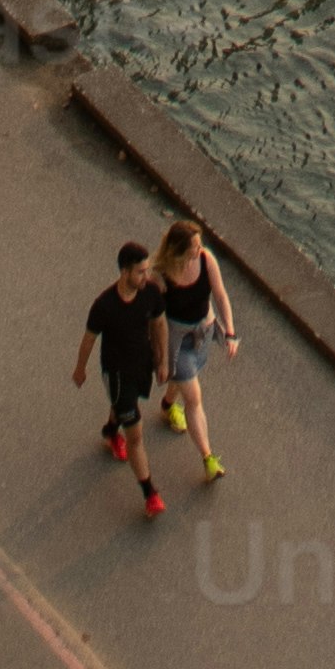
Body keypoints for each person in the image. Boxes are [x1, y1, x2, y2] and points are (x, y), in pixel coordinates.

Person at [77, 227, 169, 516]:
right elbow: (89, 338)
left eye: (147, 270)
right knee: (137, 434)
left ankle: (109, 430)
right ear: (125, 271)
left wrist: (162, 360)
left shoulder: (150, 292)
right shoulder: (104, 306)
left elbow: (159, 324)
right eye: (140, 272)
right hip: (117, 373)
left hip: (142, 363)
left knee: (125, 407)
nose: (146, 276)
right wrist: (80, 368)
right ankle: (150, 494)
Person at [149, 215, 239, 484]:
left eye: (199, 245)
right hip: (175, 339)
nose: (198, 250)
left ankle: (167, 405)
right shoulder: (161, 276)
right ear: (177, 250)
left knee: (186, 378)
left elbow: (220, 295)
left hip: (202, 332)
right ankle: (208, 458)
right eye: (193, 247)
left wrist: (230, 332)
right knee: (194, 397)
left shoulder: (206, 259)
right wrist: (160, 357)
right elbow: (153, 318)